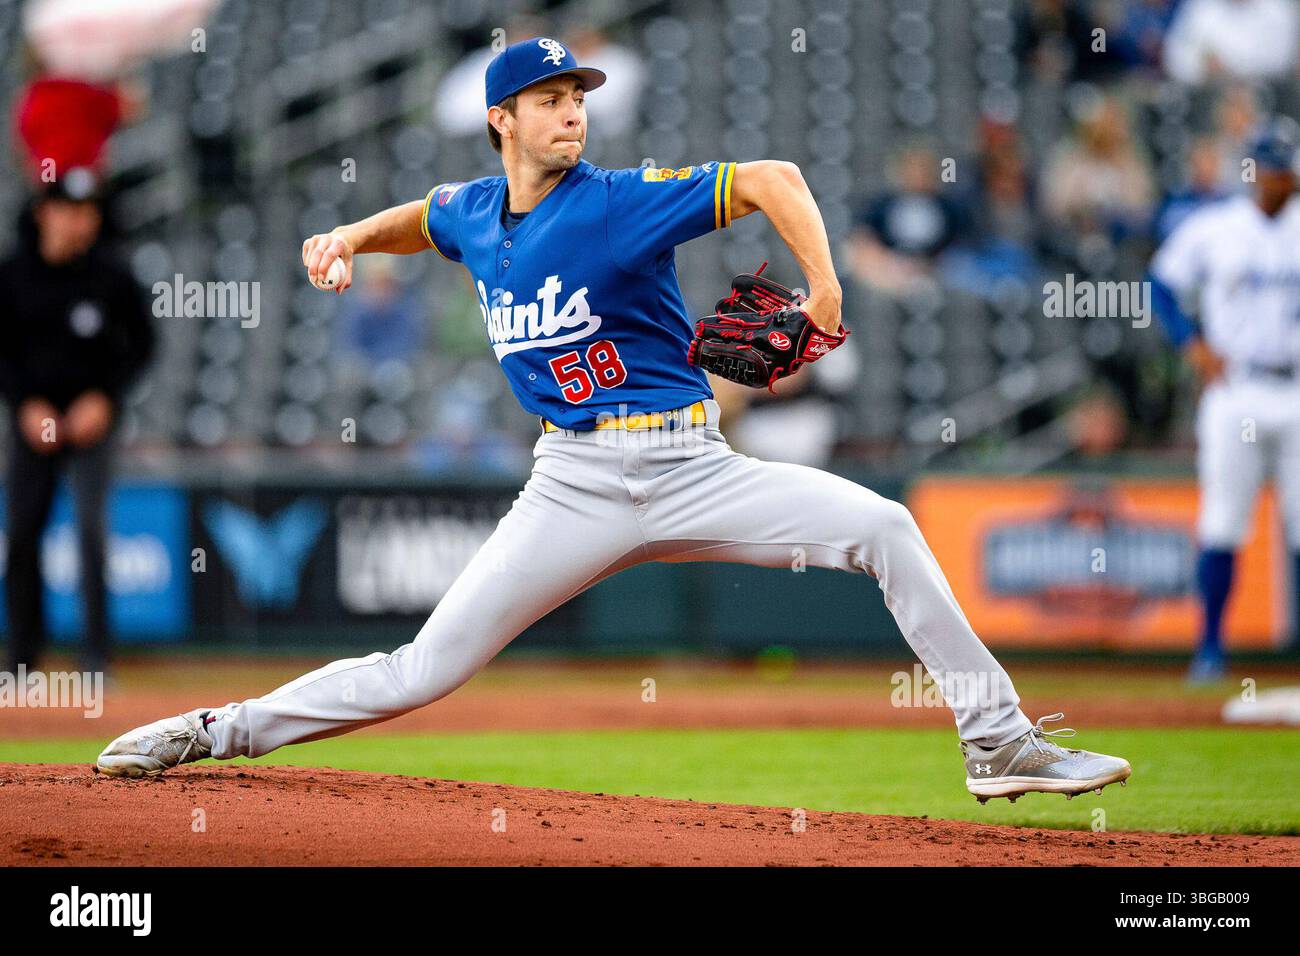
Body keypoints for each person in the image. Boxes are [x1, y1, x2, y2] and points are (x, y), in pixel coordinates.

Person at [97, 37, 1131, 805]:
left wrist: (820, 287)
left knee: (886, 527)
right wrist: (348, 234)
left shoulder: (619, 199)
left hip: (690, 461)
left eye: (577, 96)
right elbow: (427, 216)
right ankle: (214, 729)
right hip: (571, 485)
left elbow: (776, 177)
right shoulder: (473, 210)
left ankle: (994, 740)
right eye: (548, 99)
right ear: (501, 118)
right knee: (421, 670)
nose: (572, 113)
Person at [1149, 118, 1300, 683]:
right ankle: (1210, 648)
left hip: (1295, 387)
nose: (1273, 179)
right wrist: (1191, 342)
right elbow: (1159, 283)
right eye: (1265, 168)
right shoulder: (1217, 227)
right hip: (1236, 388)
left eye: (1281, 169)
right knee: (1223, 521)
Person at [0, 169, 156, 675]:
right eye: (70, 210)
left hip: (92, 421)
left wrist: (106, 398)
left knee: (92, 529)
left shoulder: (111, 275)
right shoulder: (13, 275)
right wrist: (24, 403)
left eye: (88, 211)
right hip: (34, 420)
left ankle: (95, 658)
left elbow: (142, 345)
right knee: (24, 531)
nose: (80, 222)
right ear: (45, 212)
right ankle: (23, 657)